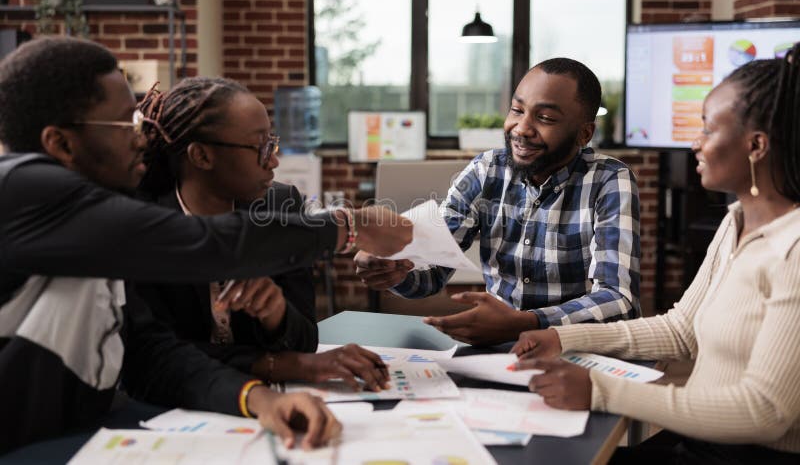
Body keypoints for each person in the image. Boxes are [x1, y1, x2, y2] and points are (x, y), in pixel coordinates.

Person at [0, 37, 410, 453]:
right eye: (127, 124)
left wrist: (257, 398)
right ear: (61, 143)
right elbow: (204, 244)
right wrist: (348, 228)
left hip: (74, 434)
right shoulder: (23, 192)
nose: (142, 138)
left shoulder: (89, 217)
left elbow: (148, 351)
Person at [511, 47, 800, 464]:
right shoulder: (736, 219)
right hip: (702, 440)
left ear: (756, 145)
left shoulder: (792, 249)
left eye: (708, 129)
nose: (694, 143)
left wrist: (601, 390)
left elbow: (767, 411)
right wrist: (562, 337)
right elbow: (682, 331)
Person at [355, 58, 641, 345]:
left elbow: (618, 300)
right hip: (502, 346)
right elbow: (432, 270)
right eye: (517, 110)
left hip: (577, 346)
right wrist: (395, 272)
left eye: (545, 118)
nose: (521, 128)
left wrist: (528, 323)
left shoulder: (609, 180)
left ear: (584, 134)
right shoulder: (486, 170)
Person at [133, 77, 390, 392]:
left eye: (273, 142)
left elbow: (306, 339)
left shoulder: (280, 205)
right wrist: (278, 365)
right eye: (260, 147)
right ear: (201, 156)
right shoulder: (145, 225)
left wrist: (277, 314)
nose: (273, 160)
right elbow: (153, 356)